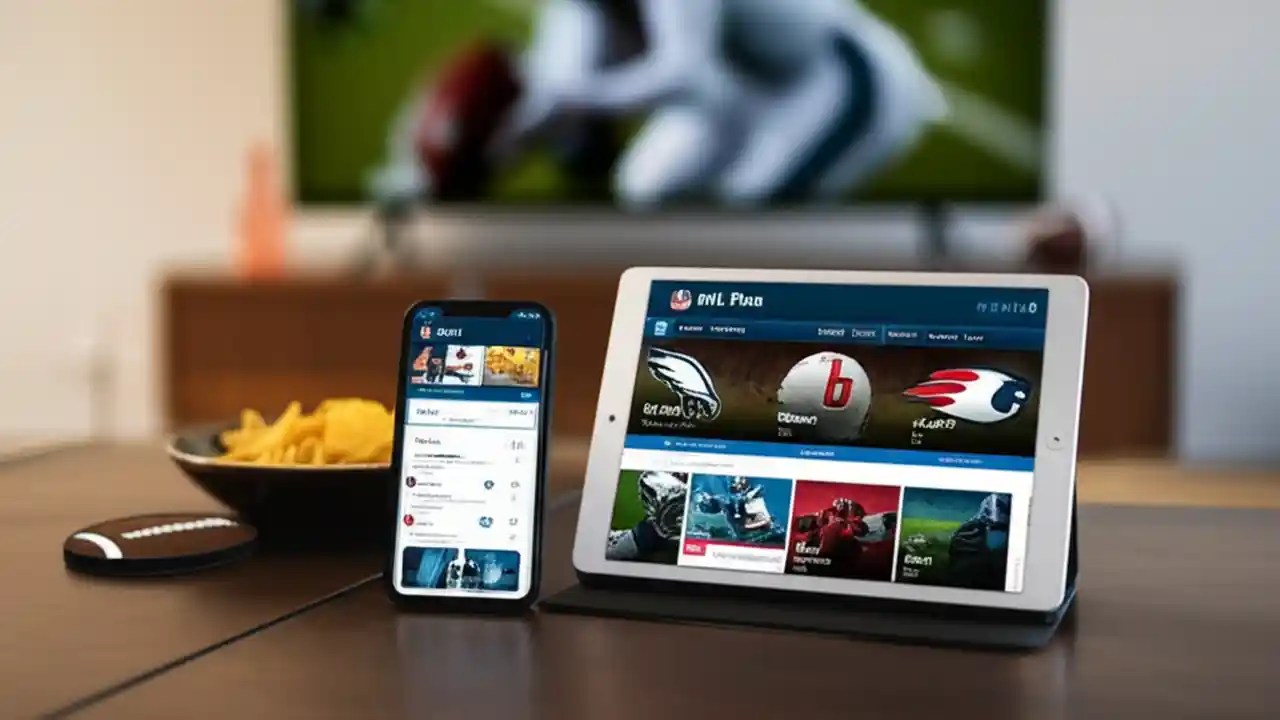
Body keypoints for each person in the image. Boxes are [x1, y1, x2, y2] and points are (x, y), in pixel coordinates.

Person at [507, 0, 946, 208]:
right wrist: (501, 138)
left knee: (754, 211)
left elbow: (679, 71)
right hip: (736, 81)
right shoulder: (576, 10)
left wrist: (578, 103)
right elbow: (560, 86)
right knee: (645, 190)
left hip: (830, 77)